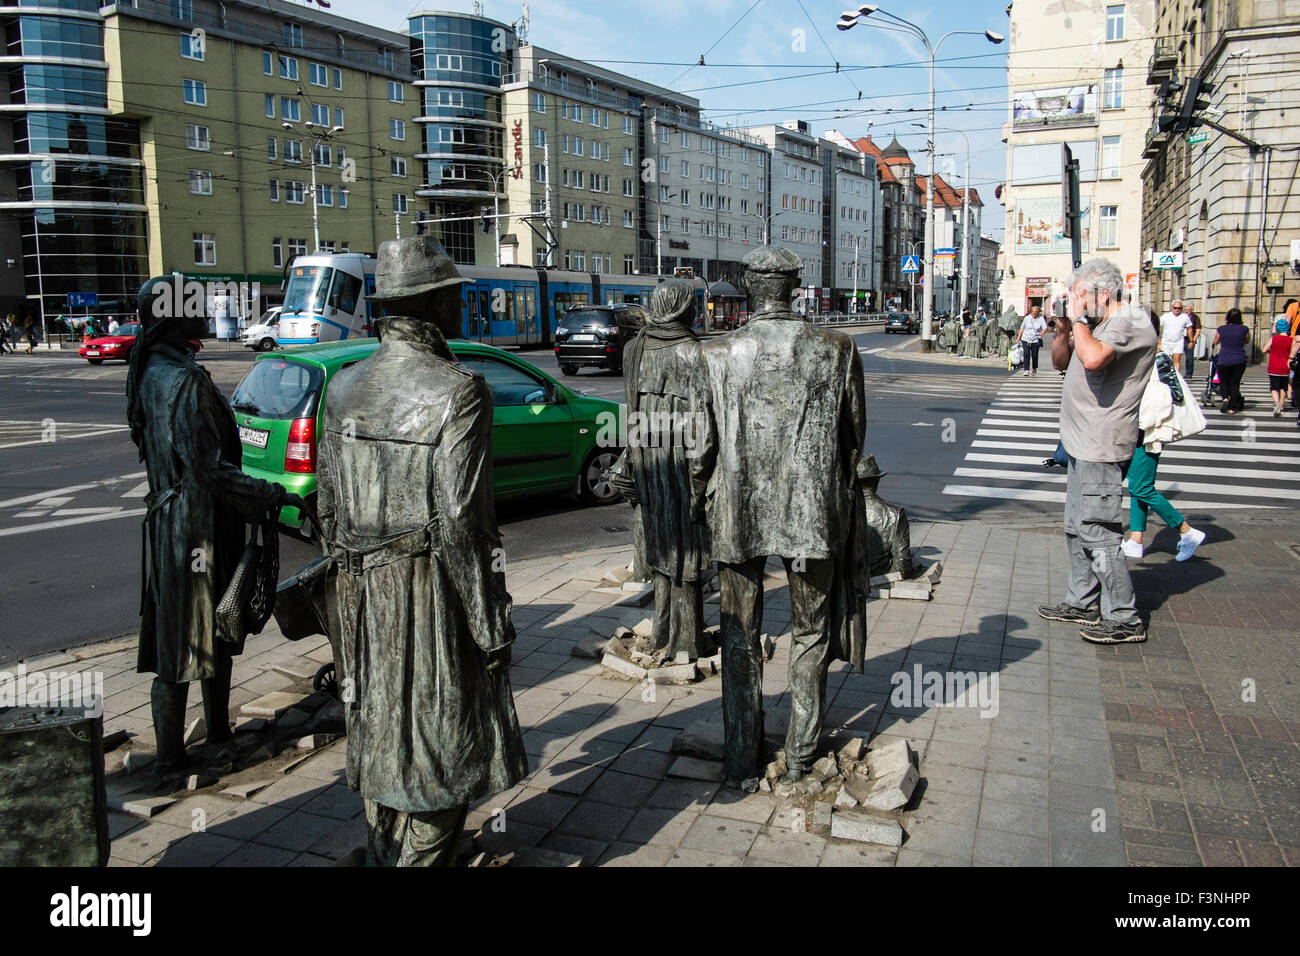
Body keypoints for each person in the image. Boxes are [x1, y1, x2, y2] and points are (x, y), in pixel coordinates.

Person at [316, 237, 528, 866]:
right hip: (431, 591)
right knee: (444, 741)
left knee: (378, 726)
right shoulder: (458, 392)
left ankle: (385, 854)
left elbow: (327, 509)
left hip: (359, 591)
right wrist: (490, 625)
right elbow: (466, 525)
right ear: (434, 304)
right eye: (455, 294)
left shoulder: (343, 388)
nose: (463, 305)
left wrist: (348, 591)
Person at [693, 245, 866, 785]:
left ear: (747, 284)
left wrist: (704, 497)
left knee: (738, 629)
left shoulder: (716, 354)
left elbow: (700, 449)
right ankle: (799, 754)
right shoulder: (837, 348)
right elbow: (853, 440)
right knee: (811, 630)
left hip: (736, 510)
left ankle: (742, 751)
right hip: (812, 511)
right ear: (796, 283)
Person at [126, 277, 301, 771]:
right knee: (195, 632)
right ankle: (170, 760)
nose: (208, 310)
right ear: (175, 317)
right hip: (195, 525)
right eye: (197, 305)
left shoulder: (147, 370)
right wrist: (272, 494)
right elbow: (209, 469)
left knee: (191, 633)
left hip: (169, 521)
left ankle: (215, 733)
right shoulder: (185, 381)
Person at [1040, 258, 1155, 645]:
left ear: (1103, 294)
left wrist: (1079, 322)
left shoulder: (1131, 322)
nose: (1074, 304)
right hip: (1077, 442)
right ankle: (1082, 601)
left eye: (1079, 296)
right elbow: (1062, 362)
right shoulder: (1096, 323)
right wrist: (1063, 330)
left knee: (1098, 530)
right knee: (1076, 528)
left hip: (1101, 444)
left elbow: (1091, 358)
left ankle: (1124, 616)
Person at [621, 279, 712, 660]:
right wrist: (701, 481)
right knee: (688, 549)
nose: (695, 311)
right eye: (692, 304)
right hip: (681, 464)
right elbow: (703, 428)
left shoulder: (634, 348)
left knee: (660, 545)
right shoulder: (694, 354)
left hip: (647, 459)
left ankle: (662, 633)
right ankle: (687, 640)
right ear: (681, 309)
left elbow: (631, 412)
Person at [1212, 307, 1250, 414]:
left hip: (1224, 358)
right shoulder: (1244, 329)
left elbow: (1215, 341)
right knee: (1234, 383)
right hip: (1239, 359)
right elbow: (1247, 341)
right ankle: (1232, 407)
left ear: (1227, 317)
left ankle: (1225, 399)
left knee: (1223, 382)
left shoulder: (1222, 329)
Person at [1264, 317, 1294, 416]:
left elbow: (1264, 350)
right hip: (1286, 367)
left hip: (1274, 367)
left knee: (1274, 387)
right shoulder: (1291, 340)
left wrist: (1270, 350)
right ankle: (1281, 406)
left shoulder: (1274, 338)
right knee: (1283, 387)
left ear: (1277, 328)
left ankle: (1277, 403)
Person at [1157, 299, 1192, 373]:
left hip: (1178, 342)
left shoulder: (1185, 317)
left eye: (1179, 308)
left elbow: (1189, 329)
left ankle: (1177, 376)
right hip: (1166, 342)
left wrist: (1191, 341)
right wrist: (1158, 340)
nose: (1177, 310)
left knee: (1177, 359)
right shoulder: (1166, 316)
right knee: (1165, 360)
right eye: (1175, 308)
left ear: (1181, 308)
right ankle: (1166, 375)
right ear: (1172, 307)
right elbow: (1157, 326)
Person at [1016, 304, 1048, 376]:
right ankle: (1026, 370)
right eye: (1033, 313)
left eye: (1036, 313)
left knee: (1034, 355)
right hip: (1026, 338)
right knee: (1026, 354)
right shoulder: (1027, 318)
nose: (1034, 315)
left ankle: (1034, 369)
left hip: (1035, 339)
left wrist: (1042, 332)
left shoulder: (1040, 318)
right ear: (1031, 312)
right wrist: (1018, 338)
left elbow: (1045, 327)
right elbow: (1022, 328)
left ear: (1038, 313)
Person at [1184, 307, 1202, 378]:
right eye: (1185, 309)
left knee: (1189, 358)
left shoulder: (1195, 318)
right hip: (1180, 338)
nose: (1186, 311)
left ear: (1191, 309)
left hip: (1189, 340)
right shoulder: (1181, 317)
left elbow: (1198, 329)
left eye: (1188, 309)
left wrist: (1193, 340)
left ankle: (1188, 373)